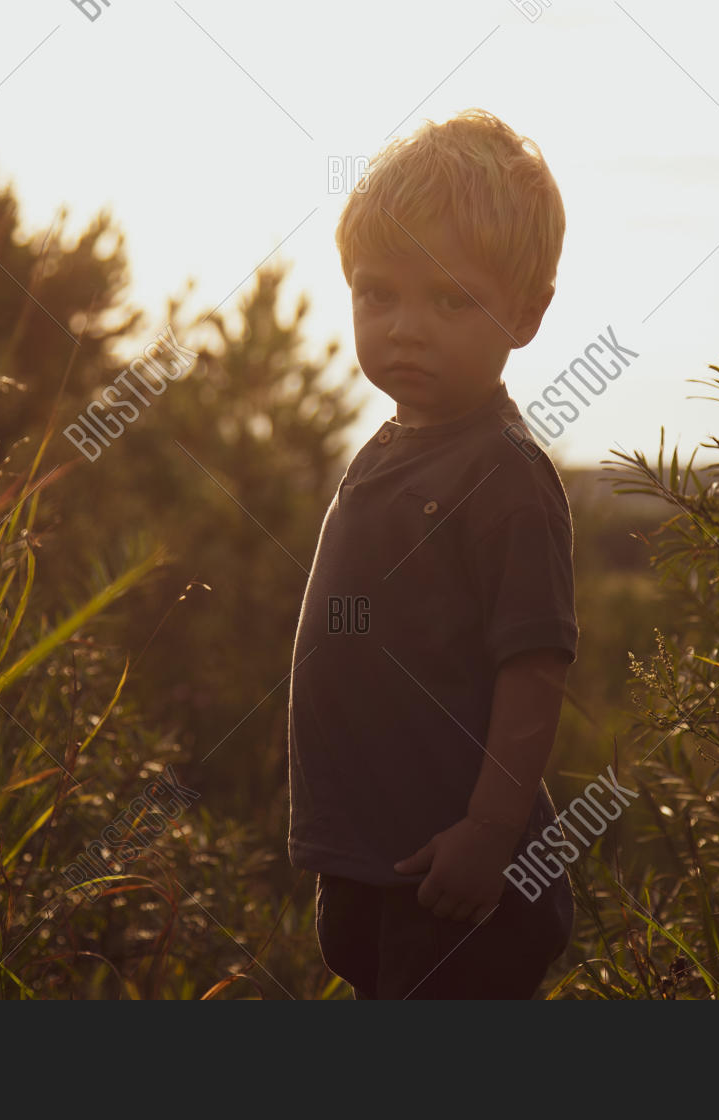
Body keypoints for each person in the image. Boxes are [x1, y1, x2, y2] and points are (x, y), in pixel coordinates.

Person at [286, 108, 578, 998]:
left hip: (454, 878)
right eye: (380, 294)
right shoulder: (395, 444)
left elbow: (534, 666)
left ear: (525, 314)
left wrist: (490, 838)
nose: (407, 327)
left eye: (451, 299)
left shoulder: (504, 474)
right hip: (381, 859)